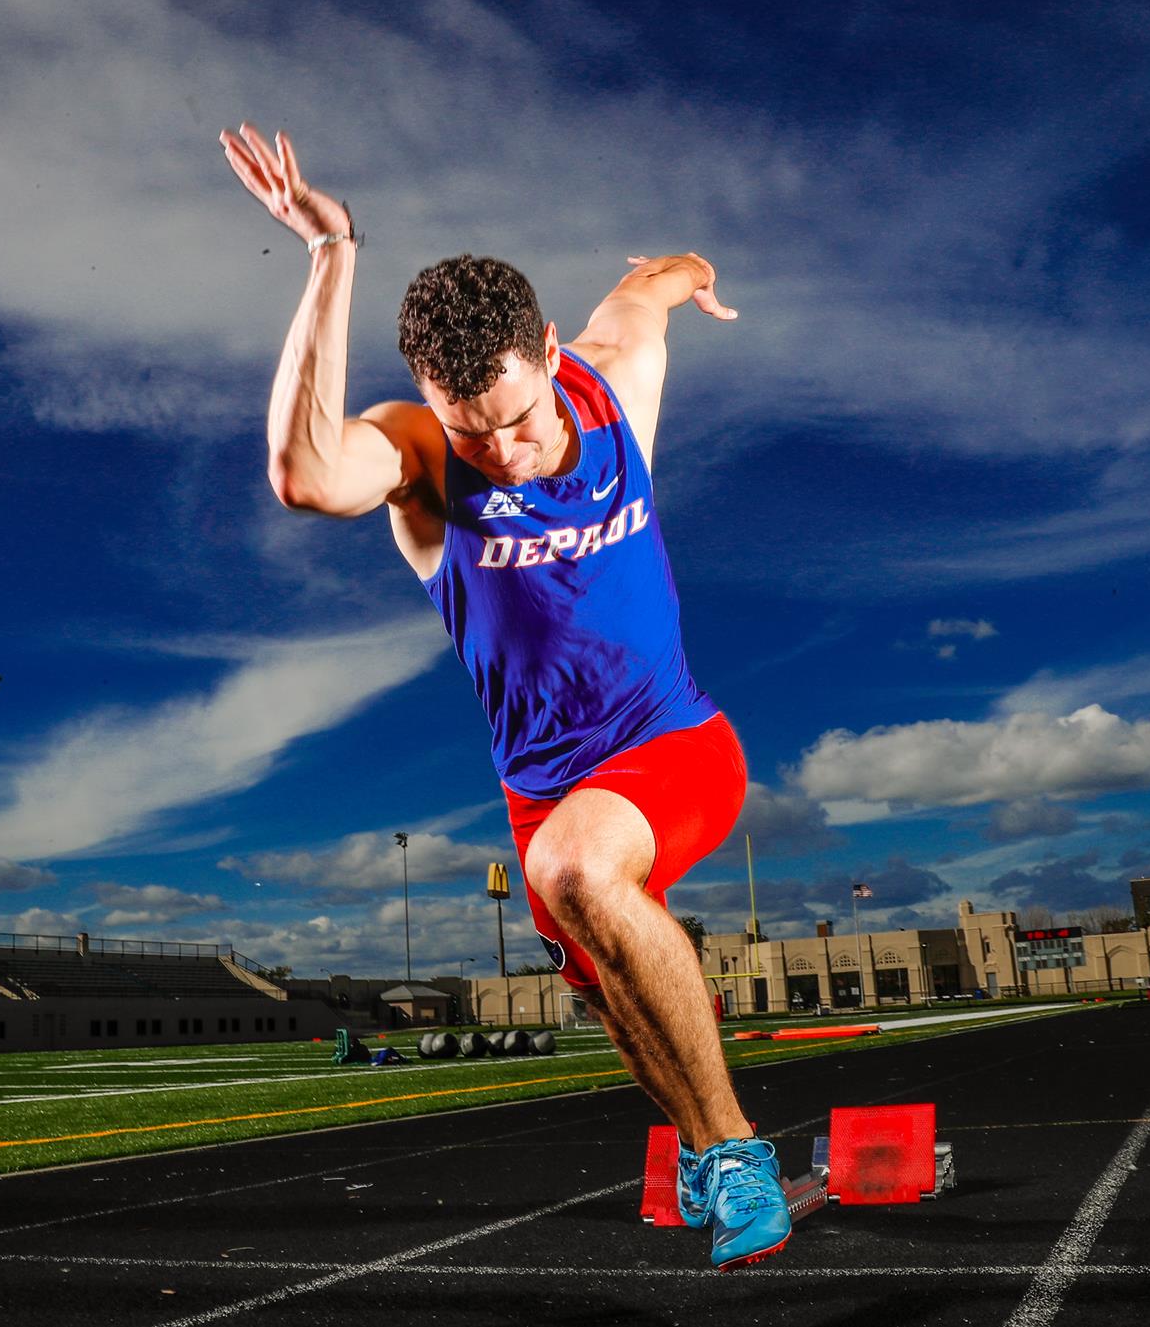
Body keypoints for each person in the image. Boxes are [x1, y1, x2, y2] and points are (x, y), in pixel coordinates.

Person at [220, 124, 791, 1271]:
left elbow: (654, 281)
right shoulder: (422, 453)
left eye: (521, 417)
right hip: (541, 791)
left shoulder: (614, 369)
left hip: (674, 743)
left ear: (544, 349)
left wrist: (698, 274)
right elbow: (304, 476)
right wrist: (333, 255)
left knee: (574, 870)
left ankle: (735, 1153)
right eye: (475, 431)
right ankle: (692, 1141)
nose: (508, 451)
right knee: (612, 988)